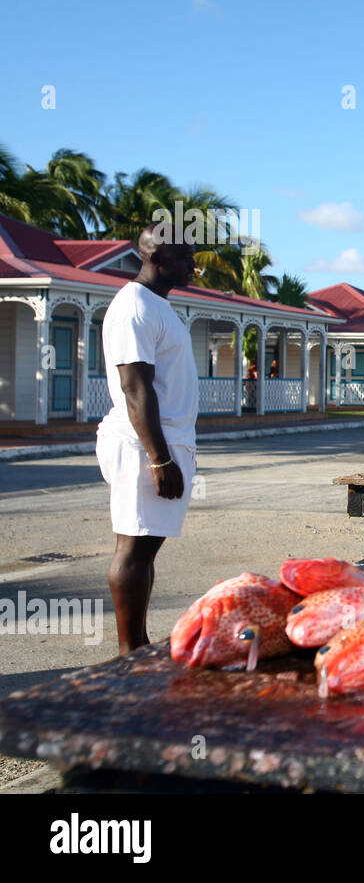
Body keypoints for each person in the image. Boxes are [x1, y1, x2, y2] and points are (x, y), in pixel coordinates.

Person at [95, 223, 199, 654]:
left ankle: (137, 642)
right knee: (133, 547)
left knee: (146, 548)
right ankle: (128, 654)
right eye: (184, 256)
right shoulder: (134, 306)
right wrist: (158, 458)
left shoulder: (158, 306)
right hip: (143, 445)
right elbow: (135, 386)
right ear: (157, 258)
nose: (193, 264)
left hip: (164, 442)